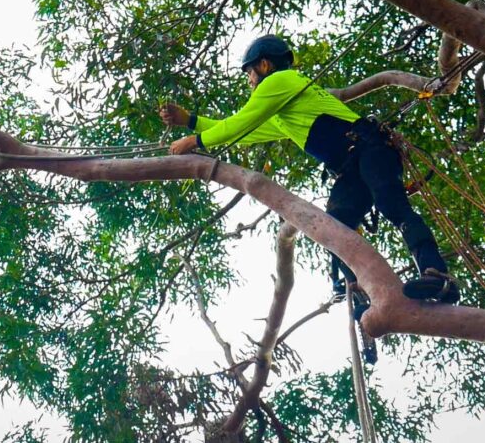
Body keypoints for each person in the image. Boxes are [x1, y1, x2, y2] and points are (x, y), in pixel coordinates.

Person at [161, 34, 459, 304]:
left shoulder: (279, 82)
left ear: (264, 65)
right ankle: (360, 292)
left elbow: (238, 123)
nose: (249, 80)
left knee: (389, 201)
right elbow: (244, 131)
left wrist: (195, 139)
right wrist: (191, 121)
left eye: (249, 73)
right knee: (336, 225)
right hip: (351, 166)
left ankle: (438, 276)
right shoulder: (283, 108)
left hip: (370, 149)